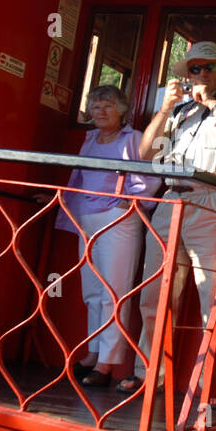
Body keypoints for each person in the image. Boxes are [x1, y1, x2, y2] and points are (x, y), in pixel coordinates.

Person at [127, 41, 216, 393]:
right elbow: (146, 152)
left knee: (211, 294)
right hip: (170, 202)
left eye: (208, 68)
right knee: (155, 293)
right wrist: (165, 109)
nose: (200, 75)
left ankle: (208, 382)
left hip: (211, 202)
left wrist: (211, 103)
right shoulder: (178, 111)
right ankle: (148, 375)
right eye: (194, 69)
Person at [52, 85, 160, 387]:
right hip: (86, 218)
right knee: (92, 291)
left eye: (107, 106)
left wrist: (128, 203)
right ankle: (94, 350)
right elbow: (79, 176)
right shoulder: (89, 139)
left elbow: (152, 176)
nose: (100, 112)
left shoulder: (135, 139)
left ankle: (107, 362)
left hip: (118, 218)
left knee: (114, 291)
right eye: (95, 106)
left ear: (122, 110)